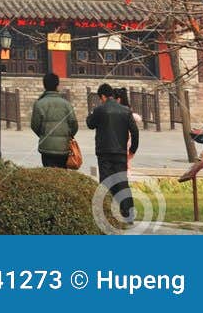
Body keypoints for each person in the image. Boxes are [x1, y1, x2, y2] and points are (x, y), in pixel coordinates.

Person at [87, 82, 140, 222]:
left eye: (100, 98)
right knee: (122, 182)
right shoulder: (125, 110)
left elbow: (90, 124)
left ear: (103, 96)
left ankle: (107, 213)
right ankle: (128, 215)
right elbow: (135, 131)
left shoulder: (99, 110)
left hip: (104, 152)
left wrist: (91, 113)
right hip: (120, 152)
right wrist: (132, 149)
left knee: (105, 182)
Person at [30, 71, 78, 167]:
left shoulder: (39, 104)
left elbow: (35, 125)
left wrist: (43, 134)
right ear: (57, 85)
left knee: (49, 173)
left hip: (46, 146)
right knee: (62, 173)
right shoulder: (66, 104)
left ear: (44, 85)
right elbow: (74, 125)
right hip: (63, 147)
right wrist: (67, 135)